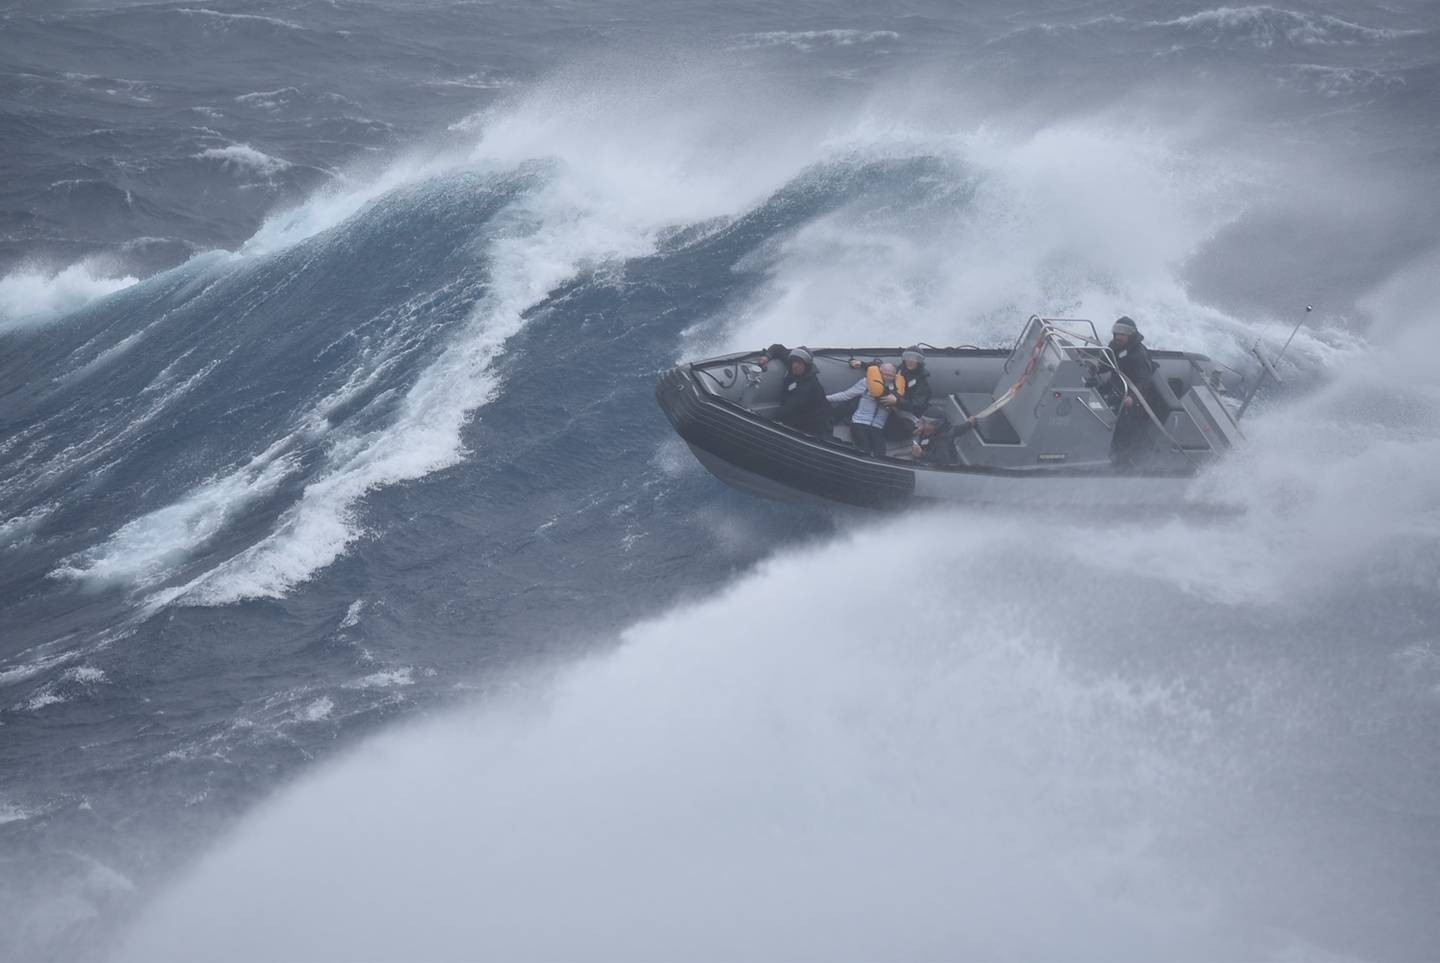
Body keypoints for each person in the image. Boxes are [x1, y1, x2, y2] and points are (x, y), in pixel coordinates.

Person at [1106, 316, 1162, 467]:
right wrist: (1095, 367)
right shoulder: (1115, 346)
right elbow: (1107, 363)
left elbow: (1144, 381)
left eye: (1123, 334)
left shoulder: (1138, 354)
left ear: (1130, 335)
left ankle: (1123, 463)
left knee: (1124, 428)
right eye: (1117, 333)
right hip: (1117, 388)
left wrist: (1131, 398)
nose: (1119, 336)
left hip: (1136, 399)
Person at [827, 361, 905, 456]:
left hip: (878, 427)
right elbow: (846, 395)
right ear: (880, 373)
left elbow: (903, 407)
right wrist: (825, 398)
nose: (887, 377)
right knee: (864, 450)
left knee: (881, 453)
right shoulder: (867, 382)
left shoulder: (896, 390)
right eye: (885, 374)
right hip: (860, 422)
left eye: (891, 375)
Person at [767, 345, 830, 436]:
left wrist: (766, 421)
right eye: (794, 362)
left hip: (810, 422)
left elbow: (788, 407)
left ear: (806, 365)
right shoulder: (793, 365)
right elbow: (778, 348)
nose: (795, 366)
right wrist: (767, 356)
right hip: (797, 411)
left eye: (799, 363)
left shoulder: (808, 386)